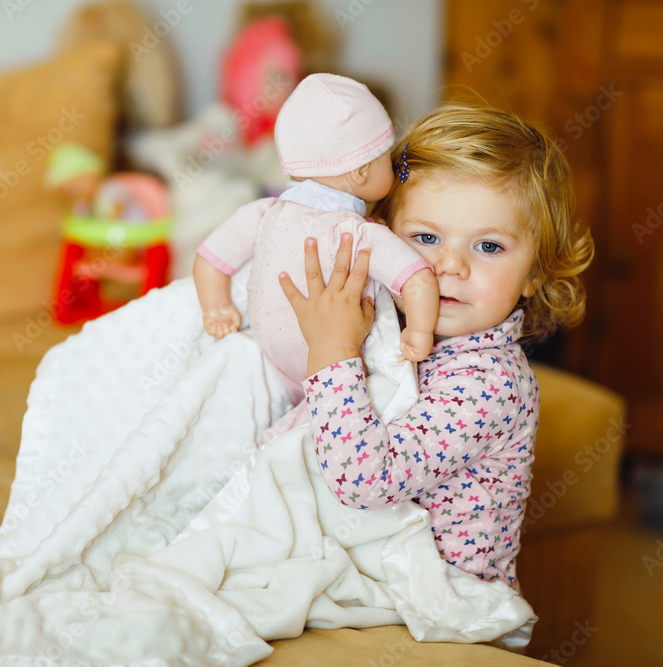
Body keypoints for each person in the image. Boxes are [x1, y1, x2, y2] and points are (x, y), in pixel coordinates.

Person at [278, 102, 594, 589]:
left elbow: (366, 481)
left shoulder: (490, 384)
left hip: (442, 601)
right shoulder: (392, 324)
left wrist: (333, 351)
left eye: (488, 246)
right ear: (381, 239)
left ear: (534, 273)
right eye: (426, 237)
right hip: (371, 568)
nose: (450, 266)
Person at [193, 73, 439, 403]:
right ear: (361, 170)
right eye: (388, 158)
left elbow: (210, 257)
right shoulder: (355, 233)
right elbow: (418, 278)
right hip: (335, 369)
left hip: (269, 361)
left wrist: (217, 308)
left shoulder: (264, 213)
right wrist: (419, 333)